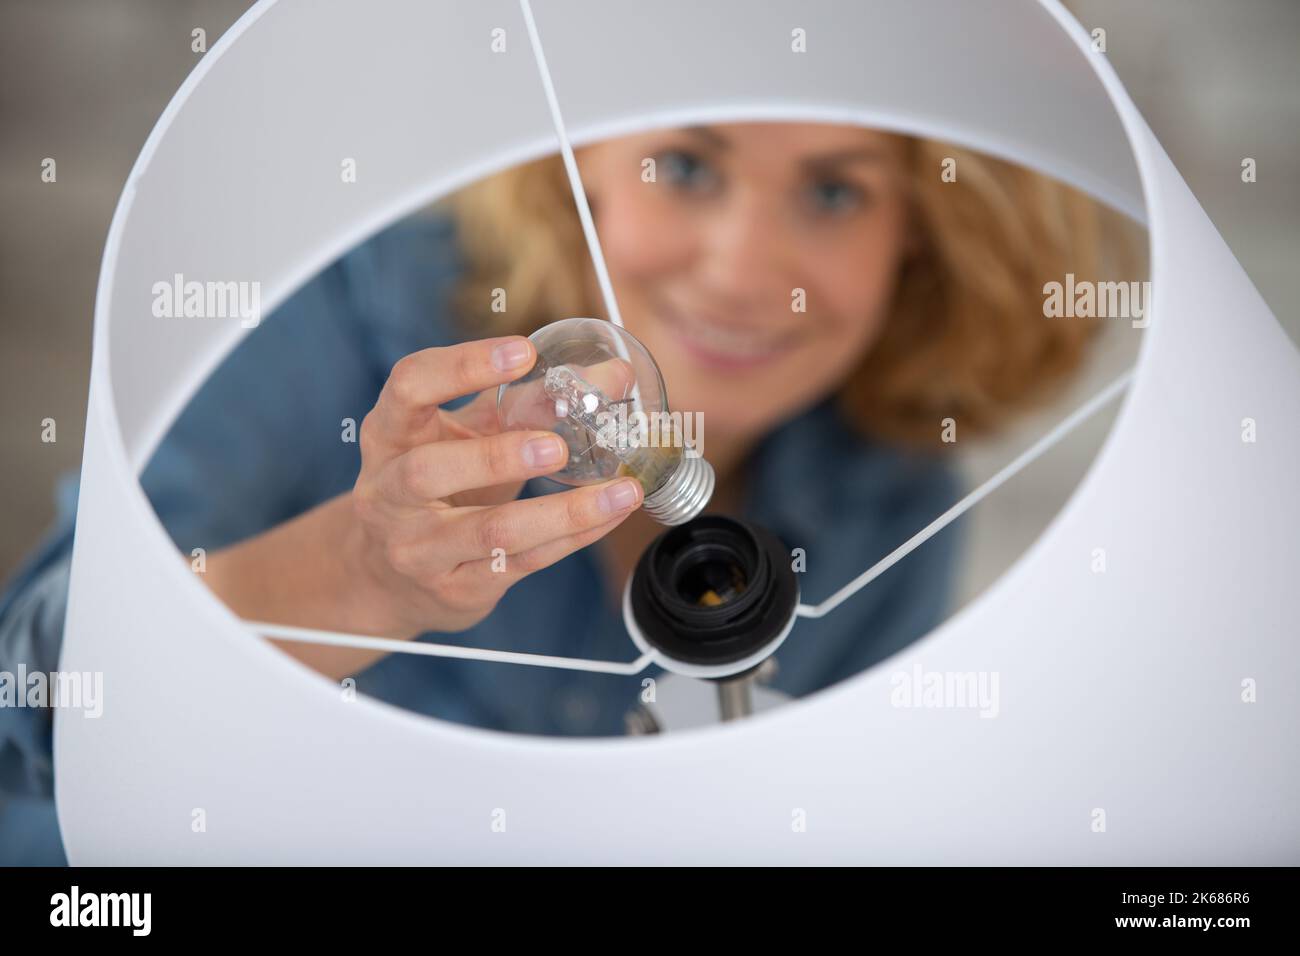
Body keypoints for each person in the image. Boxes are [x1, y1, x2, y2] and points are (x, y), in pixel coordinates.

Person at [0, 122, 1128, 863]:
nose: (742, 270)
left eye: (835, 189)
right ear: (569, 157)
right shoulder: (340, 319)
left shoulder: (891, 498)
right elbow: (42, 699)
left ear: (921, 232)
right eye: (685, 166)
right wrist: (359, 571)